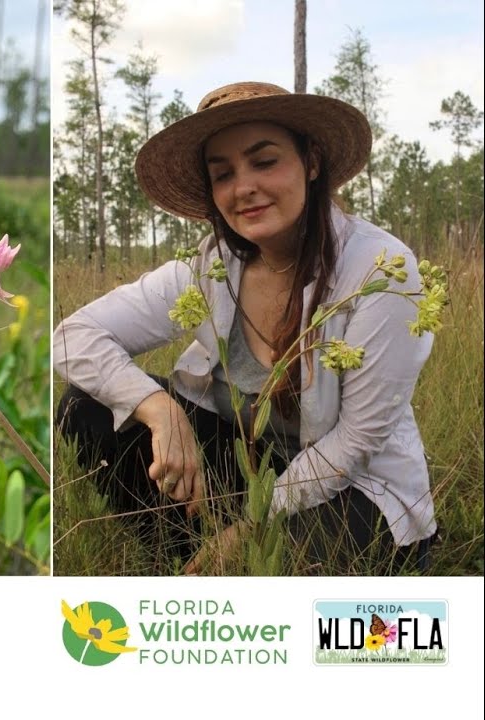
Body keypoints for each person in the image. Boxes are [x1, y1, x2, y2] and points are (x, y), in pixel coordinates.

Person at [52, 82, 437, 575]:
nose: (244, 188)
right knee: (85, 407)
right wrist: (160, 410)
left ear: (311, 162)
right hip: (251, 463)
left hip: (350, 486)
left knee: (282, 567)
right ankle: (179, 555)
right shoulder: (211, 267)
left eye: (264, 161)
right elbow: (72, 337)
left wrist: (251, 526)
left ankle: (229, 555)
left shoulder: (378, 269)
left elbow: (357, 441)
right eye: (223, 174)